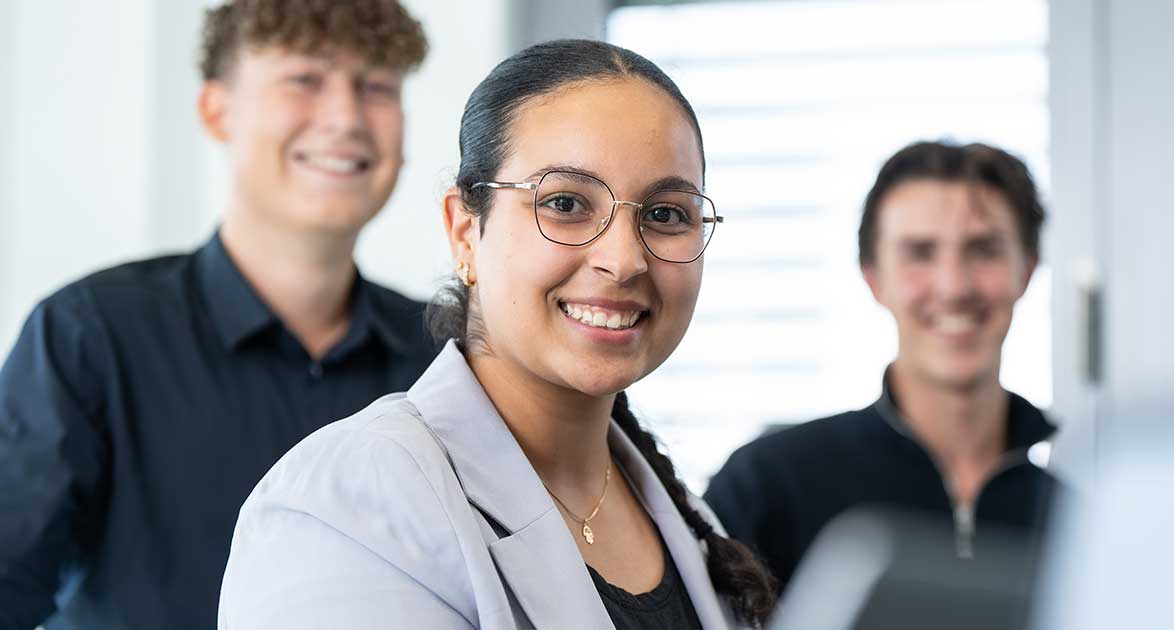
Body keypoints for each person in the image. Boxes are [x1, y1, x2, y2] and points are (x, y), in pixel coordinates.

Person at [217, 39, 777, 630]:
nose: (624, 260)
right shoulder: (348, 505)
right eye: (566, 203)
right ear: (465, 232)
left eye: (665, 214)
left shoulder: (688, 522)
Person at [0, 2, 435, 629]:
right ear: (216, 111)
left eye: (377, 87)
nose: (346, 117)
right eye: (304, 79)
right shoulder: (90, 335)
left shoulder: (448, 359)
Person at [705, 141, 1060, 590]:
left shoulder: (1082, 524)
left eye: (983, 250)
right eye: (920, 253)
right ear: (874, 278)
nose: (954, 287)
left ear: (1026, 270)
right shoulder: (766, 486)